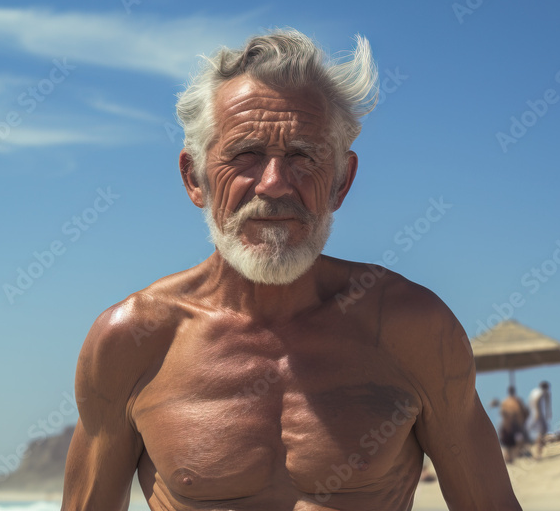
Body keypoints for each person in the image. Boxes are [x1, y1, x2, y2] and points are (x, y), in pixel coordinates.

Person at [60, 29, 521, 510]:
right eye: (245, 155)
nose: (275, 184)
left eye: (305, 155)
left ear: (342, 182)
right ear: (194, 178)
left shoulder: (413, 329)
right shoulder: (133, 339)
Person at [498, 386, 529, 463]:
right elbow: (523, 412)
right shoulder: (516, 401)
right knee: (514, 441)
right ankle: (512, 456)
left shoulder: (506, 402)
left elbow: (503, 413)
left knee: (512, 442)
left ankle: (513, 456)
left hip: (510, 424)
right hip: (514, 424)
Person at [527, 381, 551, 459]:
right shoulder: (542, 393)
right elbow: (537, 401)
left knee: (540, 433)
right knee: (541, 433)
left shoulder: (535, 391)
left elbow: (531, 402)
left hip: (534, 414)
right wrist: (538, 412)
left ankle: (537, 452)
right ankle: (537, 453)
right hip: (538, 415)